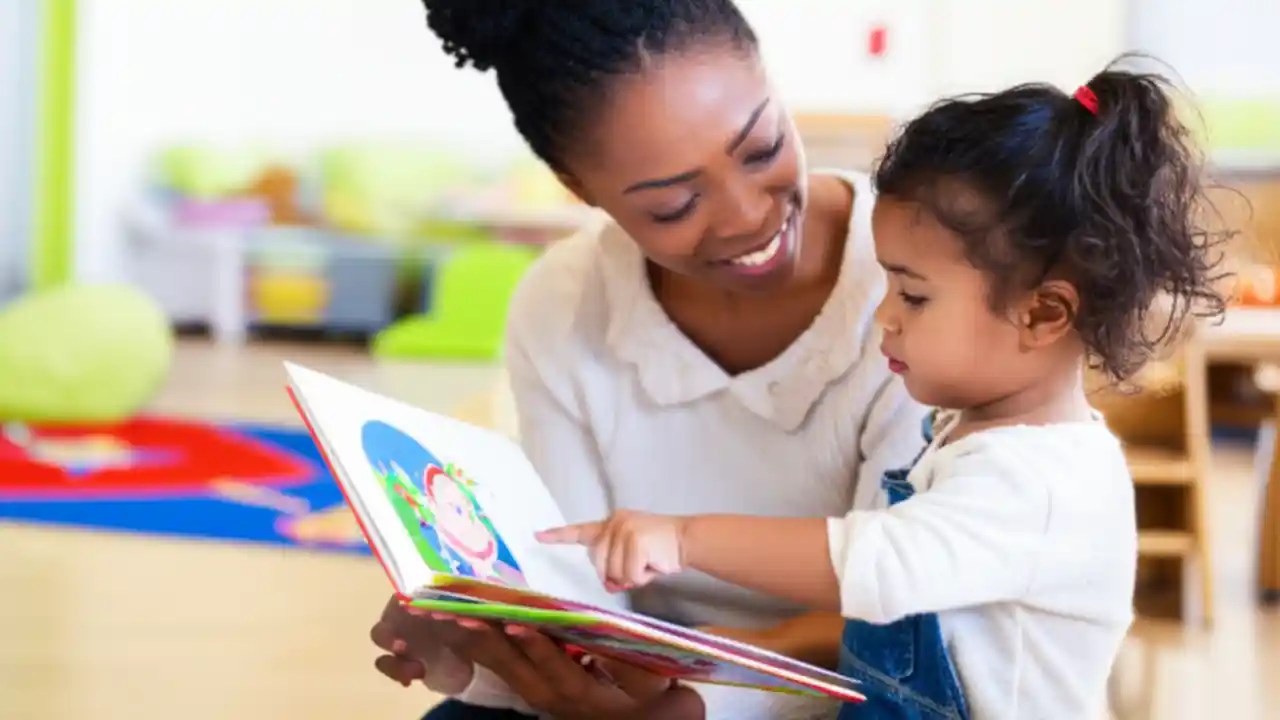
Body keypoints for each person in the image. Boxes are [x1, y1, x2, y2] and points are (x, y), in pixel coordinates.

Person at [540, 61, 1230, 719]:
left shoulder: (1040, 482)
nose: (883, 317)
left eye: (913, 295)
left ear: (1043, 314)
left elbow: (878, 567)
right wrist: (722, 668)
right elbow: (884, 647)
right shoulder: (966, 435)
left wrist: (684, 538)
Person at [368, 0, 930, 718]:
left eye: (762, 148)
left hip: (867, 673)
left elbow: (916, 604)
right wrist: (478, 641)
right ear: (579, 189)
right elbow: (577, 590)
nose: (747, 215)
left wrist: (703, 692)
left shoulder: (920, 285)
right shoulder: (564, 303)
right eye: (674, 205)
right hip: (647, 674)